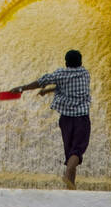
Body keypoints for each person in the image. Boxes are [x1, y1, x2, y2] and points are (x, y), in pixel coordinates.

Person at [13, 49, 91, 189]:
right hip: (81, 119)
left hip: (66, 120)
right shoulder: (85, 74)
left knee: (70, 153)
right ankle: (68, 176)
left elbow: (41, 81)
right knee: (77, 151)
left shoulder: (60, 74)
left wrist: (22, 88)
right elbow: (70, 85)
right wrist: (49, 91)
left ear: (66, 62)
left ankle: (70, 186)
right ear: (81, 62)